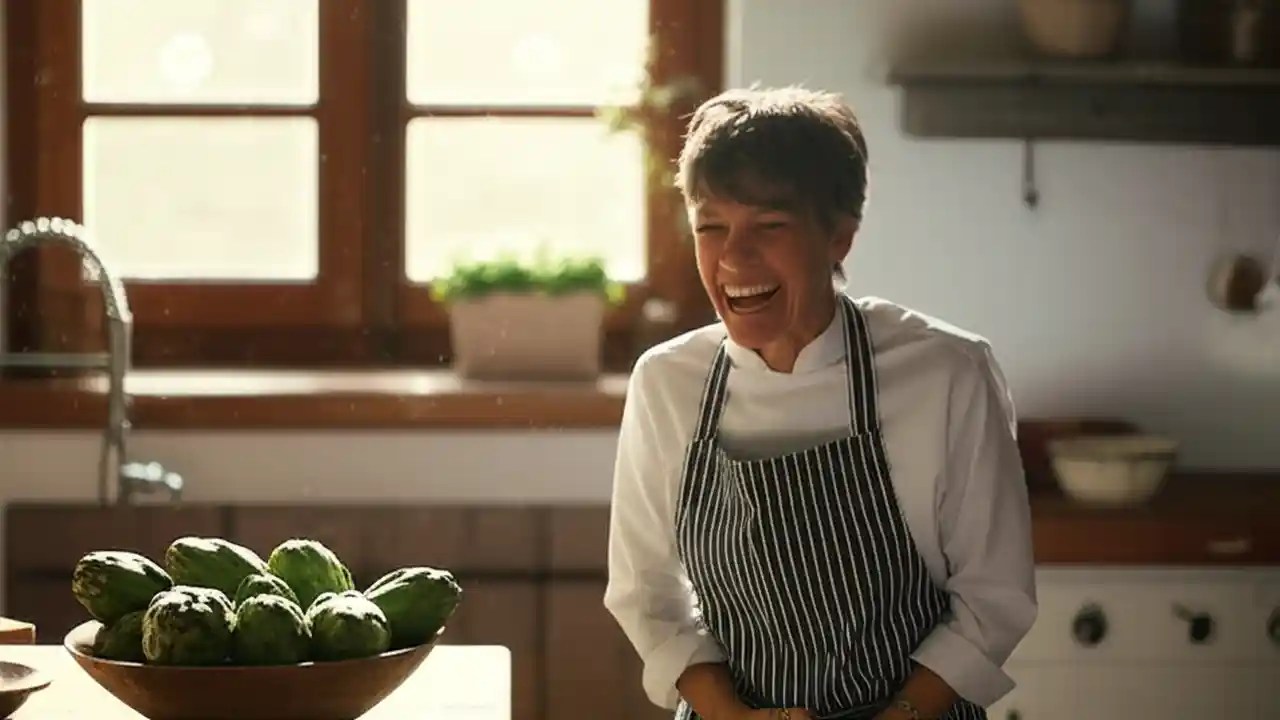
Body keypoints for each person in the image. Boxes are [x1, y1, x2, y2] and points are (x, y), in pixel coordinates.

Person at [603, 85, 1037, 720]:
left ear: (840, 235)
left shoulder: (947, 372)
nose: (732, 257)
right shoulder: (667, 383)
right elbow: (648, 597)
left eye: (769, 226)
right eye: (711, 227)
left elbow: (993, 598)